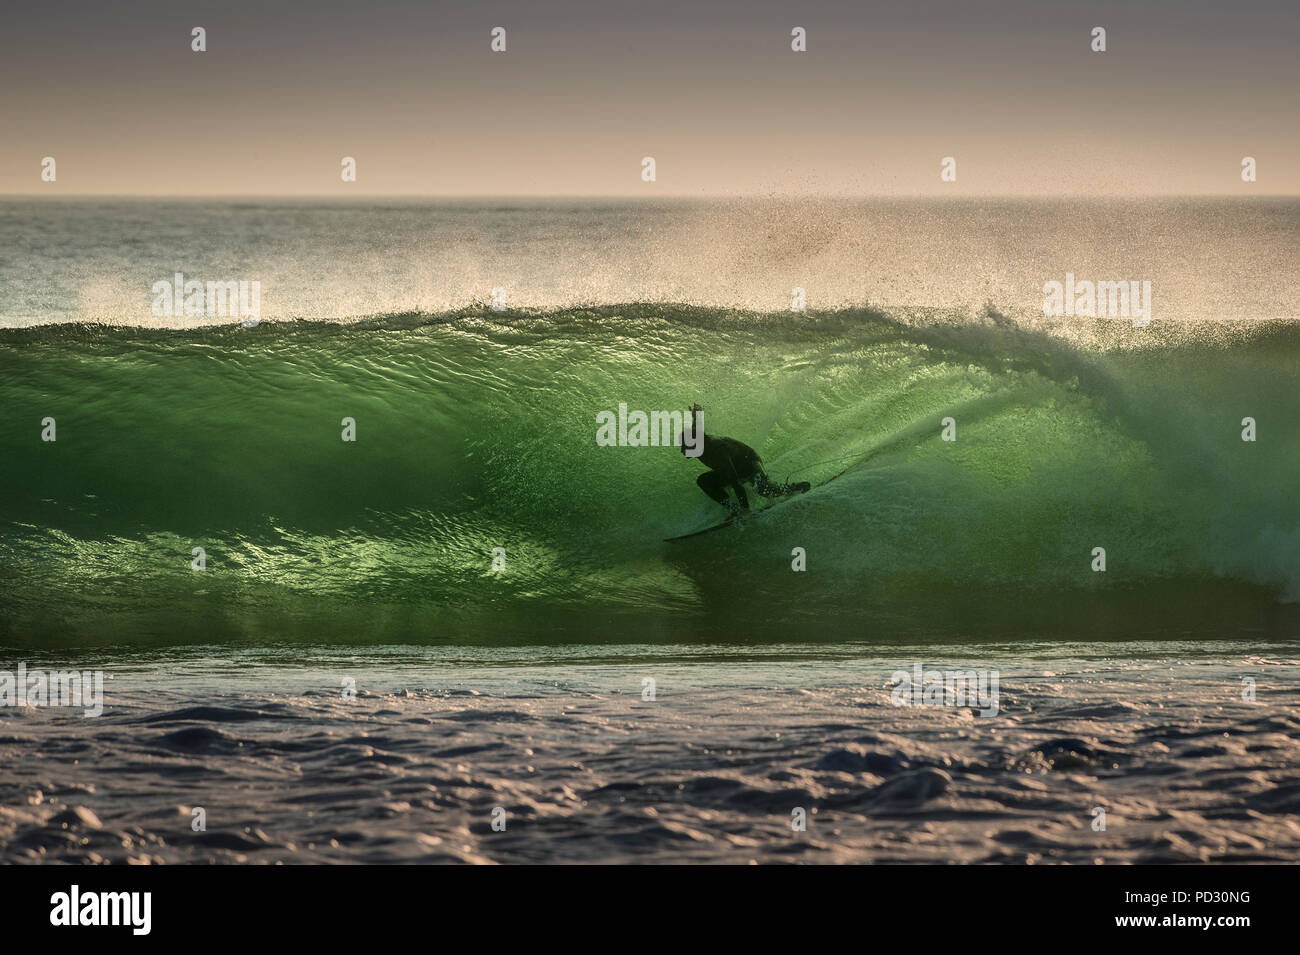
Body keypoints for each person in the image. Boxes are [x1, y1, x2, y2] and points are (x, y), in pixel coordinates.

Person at [680, 404, 810, 517]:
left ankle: (797, 487)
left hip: (750, 463)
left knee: (763, 489)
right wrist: (697, 412)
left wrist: (746, 509)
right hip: (733, 468)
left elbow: (735, 482)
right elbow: (697, 424)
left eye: (685, 446)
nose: (683, 451)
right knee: (704, 481)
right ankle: (733, 508)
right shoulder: (697, 438)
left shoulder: (718, 451)